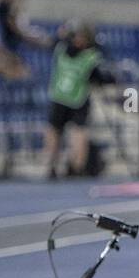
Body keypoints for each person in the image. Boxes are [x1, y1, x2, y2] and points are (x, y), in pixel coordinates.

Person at [44, 23, 114, 179]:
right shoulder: (91, 56)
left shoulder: (61, 49)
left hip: (65, 97)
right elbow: (104, 76)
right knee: (59, 131)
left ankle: (73, 166)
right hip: (72, 99)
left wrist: (62, 34)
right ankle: (61, 166)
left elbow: (53, 41)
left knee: (74, 132)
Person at [0, 0, 51, 79]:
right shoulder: (4, 9)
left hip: (16, 43)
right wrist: (27, 37)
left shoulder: (14, 9)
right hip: (11, 44)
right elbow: (13, 26)